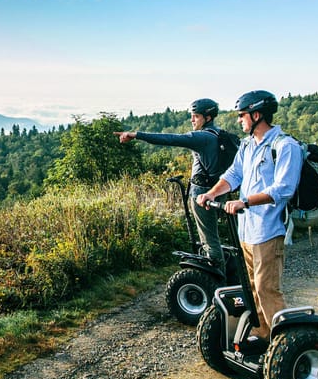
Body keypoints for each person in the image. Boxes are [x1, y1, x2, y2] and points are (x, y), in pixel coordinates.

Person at [195, 90, 303, 352]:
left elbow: (283, 189)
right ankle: (263, 334)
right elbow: (233, 175)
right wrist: (210, 193)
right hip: (246, 230)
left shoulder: (285, 146)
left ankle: (286, 346)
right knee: (252, 288)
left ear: (256, 115)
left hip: (269, 230)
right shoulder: (247, 145)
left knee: (268, 290)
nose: (239, 120)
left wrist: (245, 202)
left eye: (242, 115)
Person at [114, 98, 228, 269]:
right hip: (217, 191)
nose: (192, 120)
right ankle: (222, 275)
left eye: (195, 116)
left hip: (202, 194)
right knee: (213, 236)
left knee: (209, 241)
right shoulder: (219, 134)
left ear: (208, 117)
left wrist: (136, 135)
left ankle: (217, 281)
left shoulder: (202, 137)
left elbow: (170, 139)